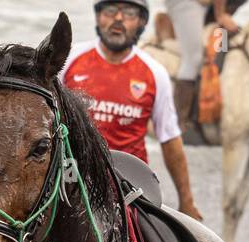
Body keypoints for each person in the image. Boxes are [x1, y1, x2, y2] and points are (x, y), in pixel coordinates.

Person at [60, 0, 204, 220]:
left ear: (141, 22)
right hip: (72, 178)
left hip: (130, 184)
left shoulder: (154, 73)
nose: (118, 18)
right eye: (110, 10)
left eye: (128, 12)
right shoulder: (70, 60)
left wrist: (187, 201)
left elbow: (170, 138)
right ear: (98, 17)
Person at [164, 0, 241, 135]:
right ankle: (176, 124)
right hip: (188, 3)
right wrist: (221, 15)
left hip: (212, 5)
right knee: (193, 59)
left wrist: (222, 20)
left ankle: (215, 104)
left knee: (221, 50)